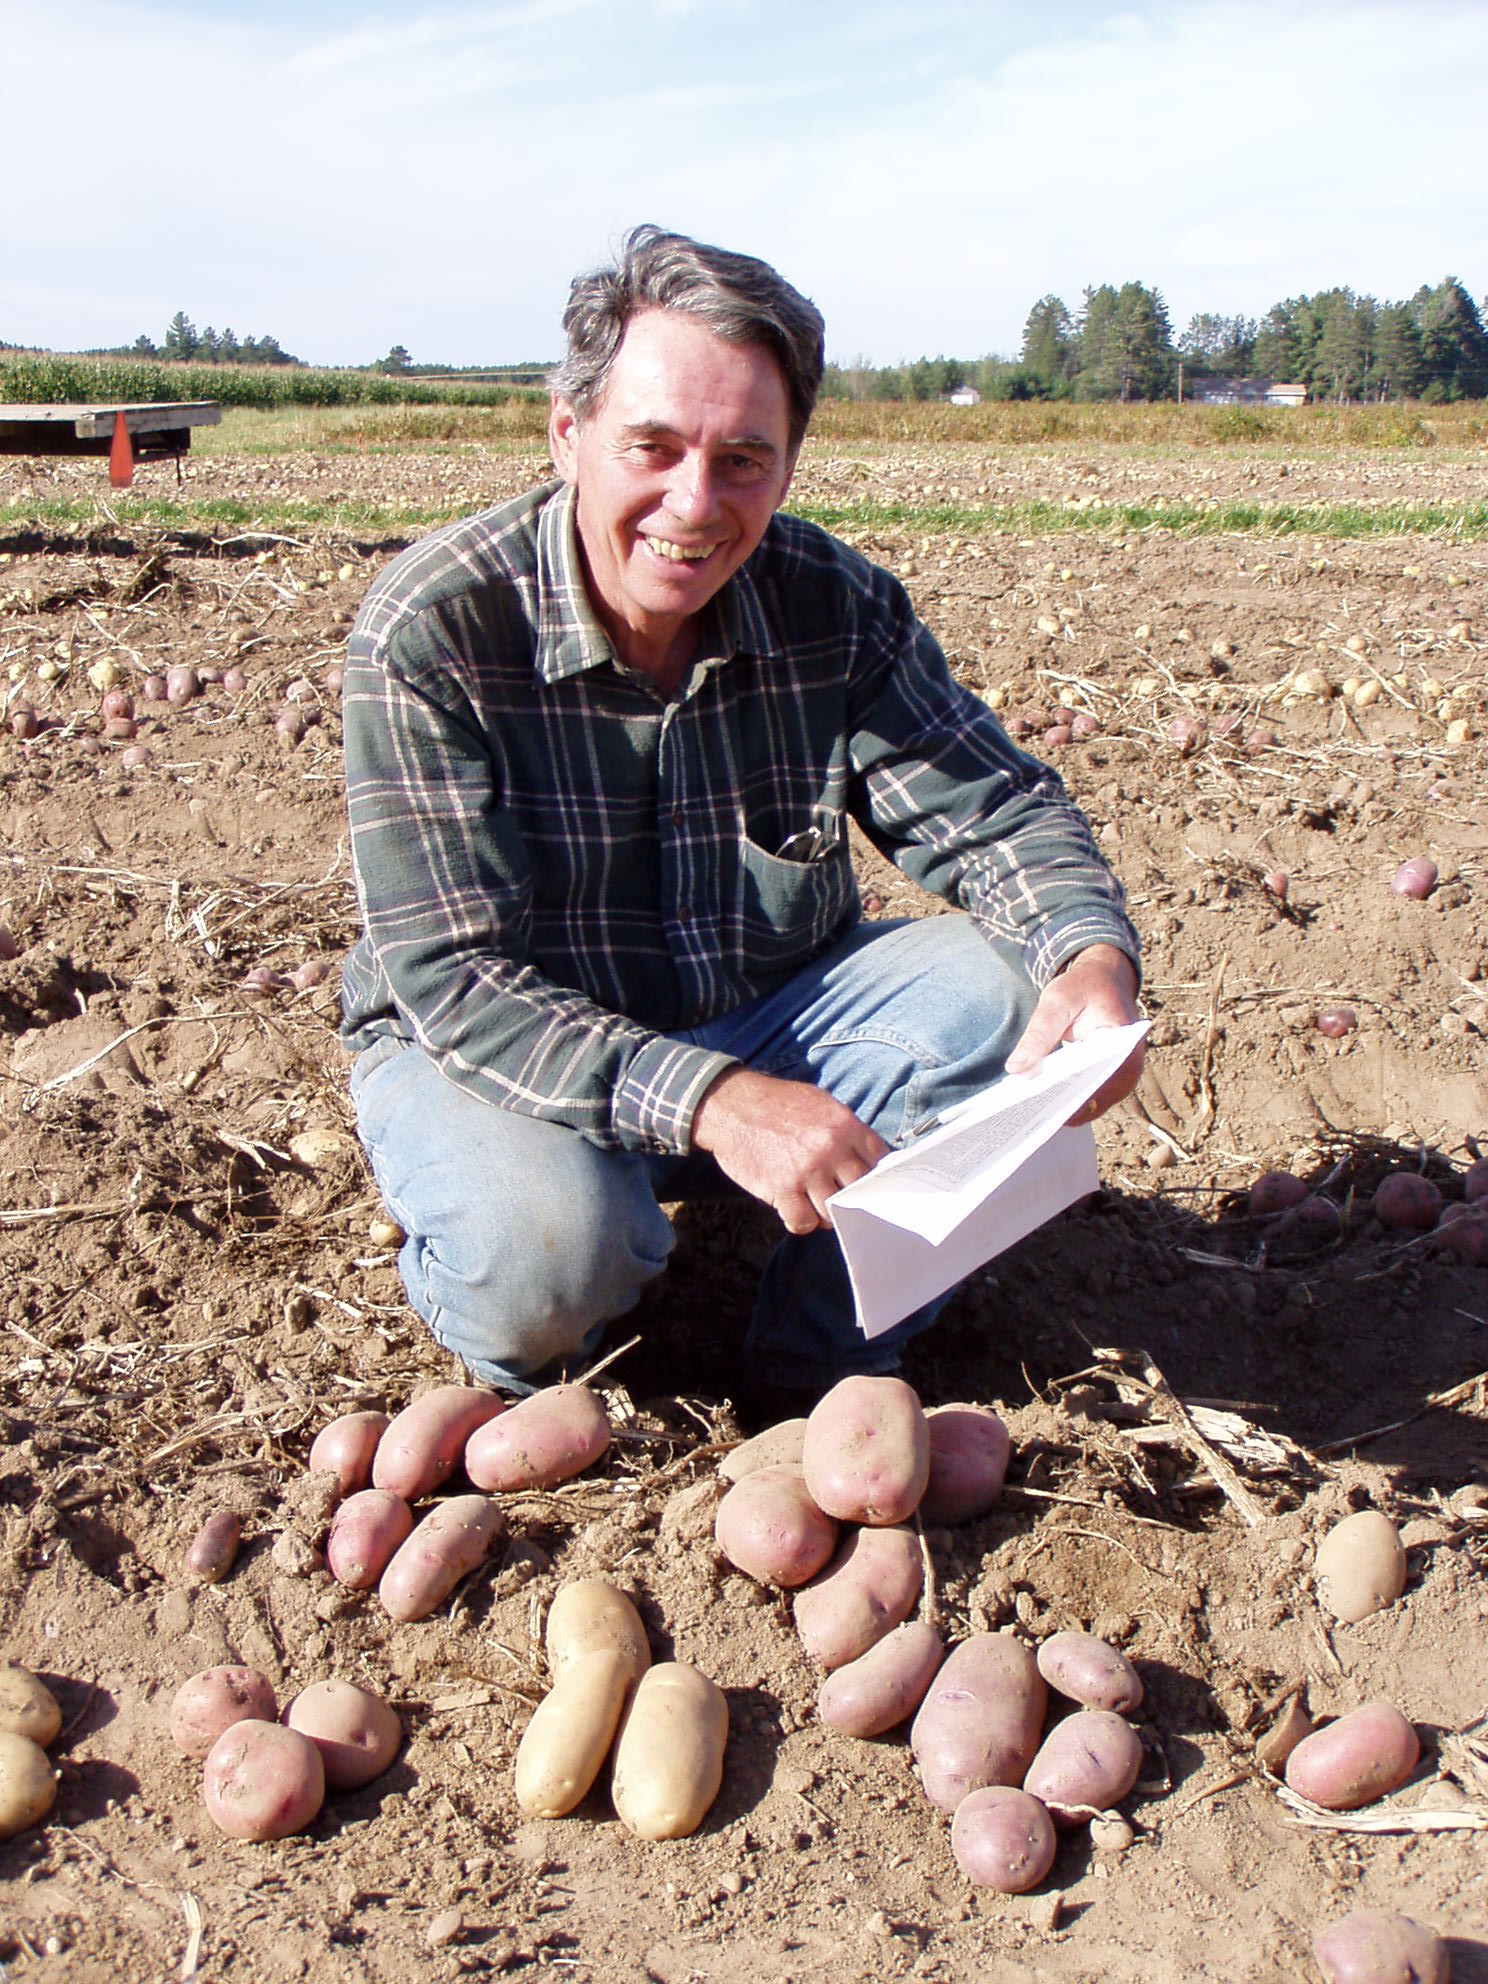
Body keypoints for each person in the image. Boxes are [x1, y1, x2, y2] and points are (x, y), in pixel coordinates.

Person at [340, 224, 1143, 1406]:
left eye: (743, 461)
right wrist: (716, 1103)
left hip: (762, 1014)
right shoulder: (437, 631)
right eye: (652, 448)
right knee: (549, 1258)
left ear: (790, 462)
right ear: (569, 436)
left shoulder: (834, 606)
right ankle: (527, 1308)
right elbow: (454, 978)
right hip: (498, 1051)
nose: (695, 504)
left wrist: (1088, 951)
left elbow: (996, 808)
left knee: (1025, 993)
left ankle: (823, 1363)